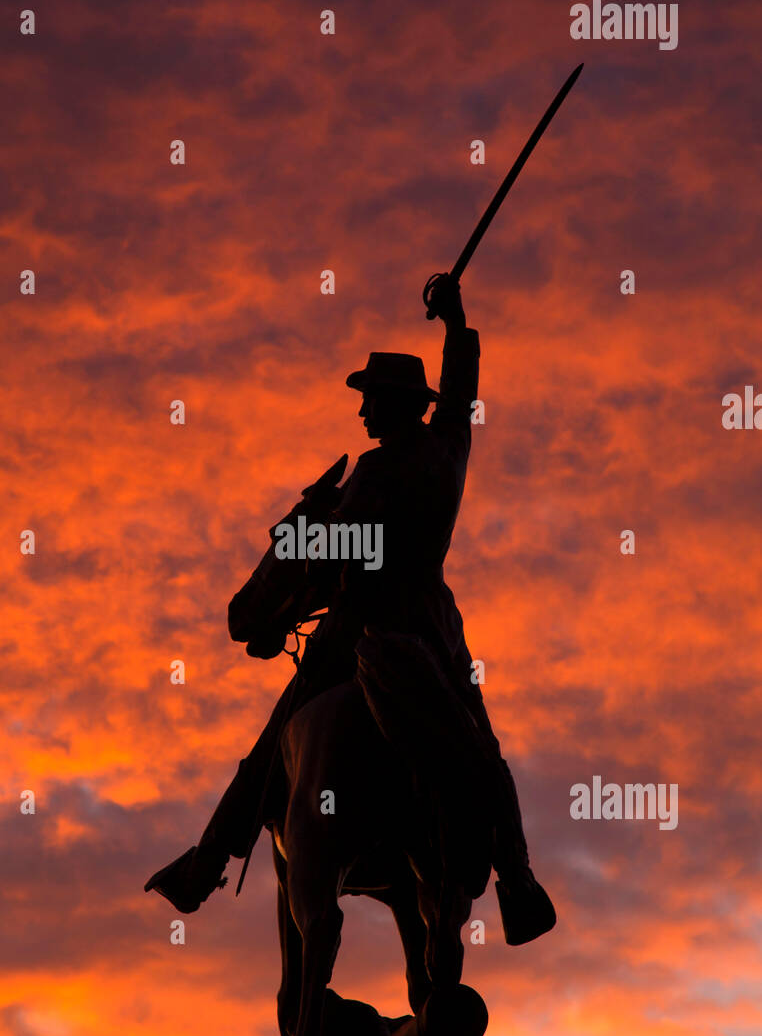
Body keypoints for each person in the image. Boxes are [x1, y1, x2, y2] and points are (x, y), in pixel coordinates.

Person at [146, 274, 554, 944]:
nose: (361, 414)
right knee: (483, 751)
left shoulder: (376, 472)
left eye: (369, 402)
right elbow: (460, 395)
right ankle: (517, 878)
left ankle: (208, 859)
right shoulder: (449, 449)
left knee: (268, 748)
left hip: (368, 628)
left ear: (392, 406)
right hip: (439, 632)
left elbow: (340, 556)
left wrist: (309, 529)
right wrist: (456, 326)